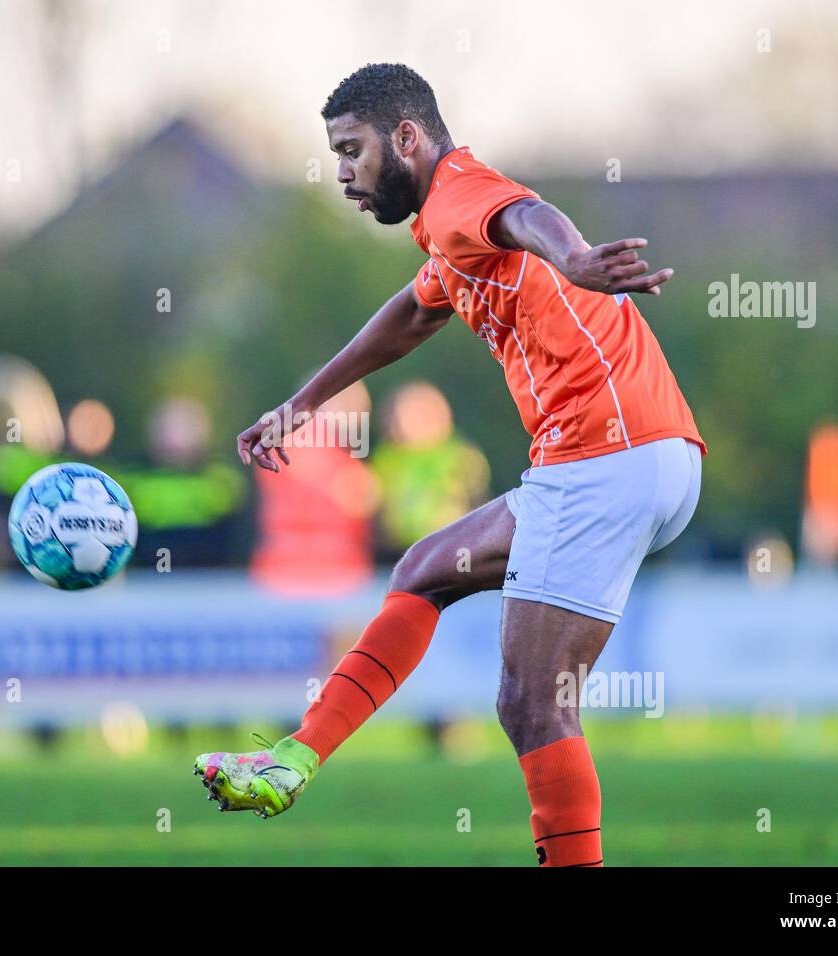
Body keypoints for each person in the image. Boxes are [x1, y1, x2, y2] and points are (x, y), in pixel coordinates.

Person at [194, 63, 706, 867]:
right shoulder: (446, 231)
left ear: (407, 137)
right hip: (640, 455)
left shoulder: (461, 194)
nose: (343, 176)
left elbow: (531, 218)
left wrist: (572, 259)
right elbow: (408, 314)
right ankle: (294, 760)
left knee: (533, 703)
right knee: (426, 569)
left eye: (352, 151)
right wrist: (303, 403)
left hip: (607, 454)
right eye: (334, 157)